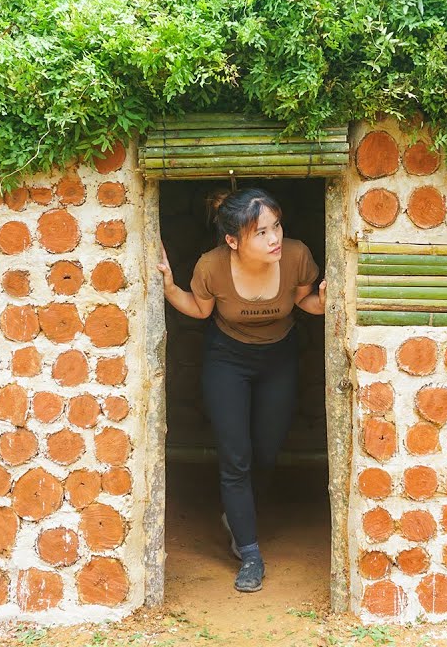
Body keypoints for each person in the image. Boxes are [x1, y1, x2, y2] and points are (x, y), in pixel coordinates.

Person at [157, 187, 325, 593]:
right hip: (227, 359)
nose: (274, 239)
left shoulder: (297, 256)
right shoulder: (211, 267)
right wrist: (167, 286)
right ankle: (249, 551)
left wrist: (327, 298)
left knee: (266, 451)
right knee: (236, 456)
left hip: (278, 358)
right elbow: (200, 310)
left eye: (276, 226)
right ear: (232, 241)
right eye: (261, 232)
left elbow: (303, 302)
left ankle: (238, 515)